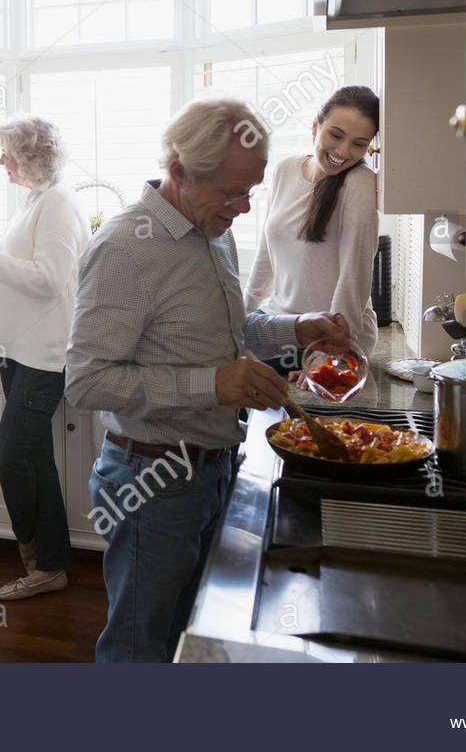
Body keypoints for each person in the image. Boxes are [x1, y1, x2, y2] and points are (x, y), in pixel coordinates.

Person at [65, 98, 351, 663]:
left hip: (212, 467)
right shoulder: (126, 246)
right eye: (230, 192)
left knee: (184, 643)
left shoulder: (213, 228)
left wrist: (299, 328)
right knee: (138, 648)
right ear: (177, 171)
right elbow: (86, 381)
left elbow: (225, 328)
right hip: (151, 480)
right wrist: (214, 386)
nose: (244, 208)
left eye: (251, 190)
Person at [0, 117, 88, 601]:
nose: (1, 161)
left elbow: (50, 279)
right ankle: (48, 565)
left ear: (30, 155)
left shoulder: (57, 203)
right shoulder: (35, 202)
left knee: (10, 458)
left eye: (6, 152)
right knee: (33, 460)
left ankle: (36, 557)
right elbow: (26, 271)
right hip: (20, 352)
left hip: (43, 355)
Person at [245, 85, 380, 364]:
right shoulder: (285, 170)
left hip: (329, 334)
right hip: (282, 322)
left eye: (359, 143)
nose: (343, 151)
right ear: (315, 126)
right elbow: (265, 259)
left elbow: (354, 279)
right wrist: (240, 324)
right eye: (336, 135)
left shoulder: (359, 183)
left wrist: (327, 358)